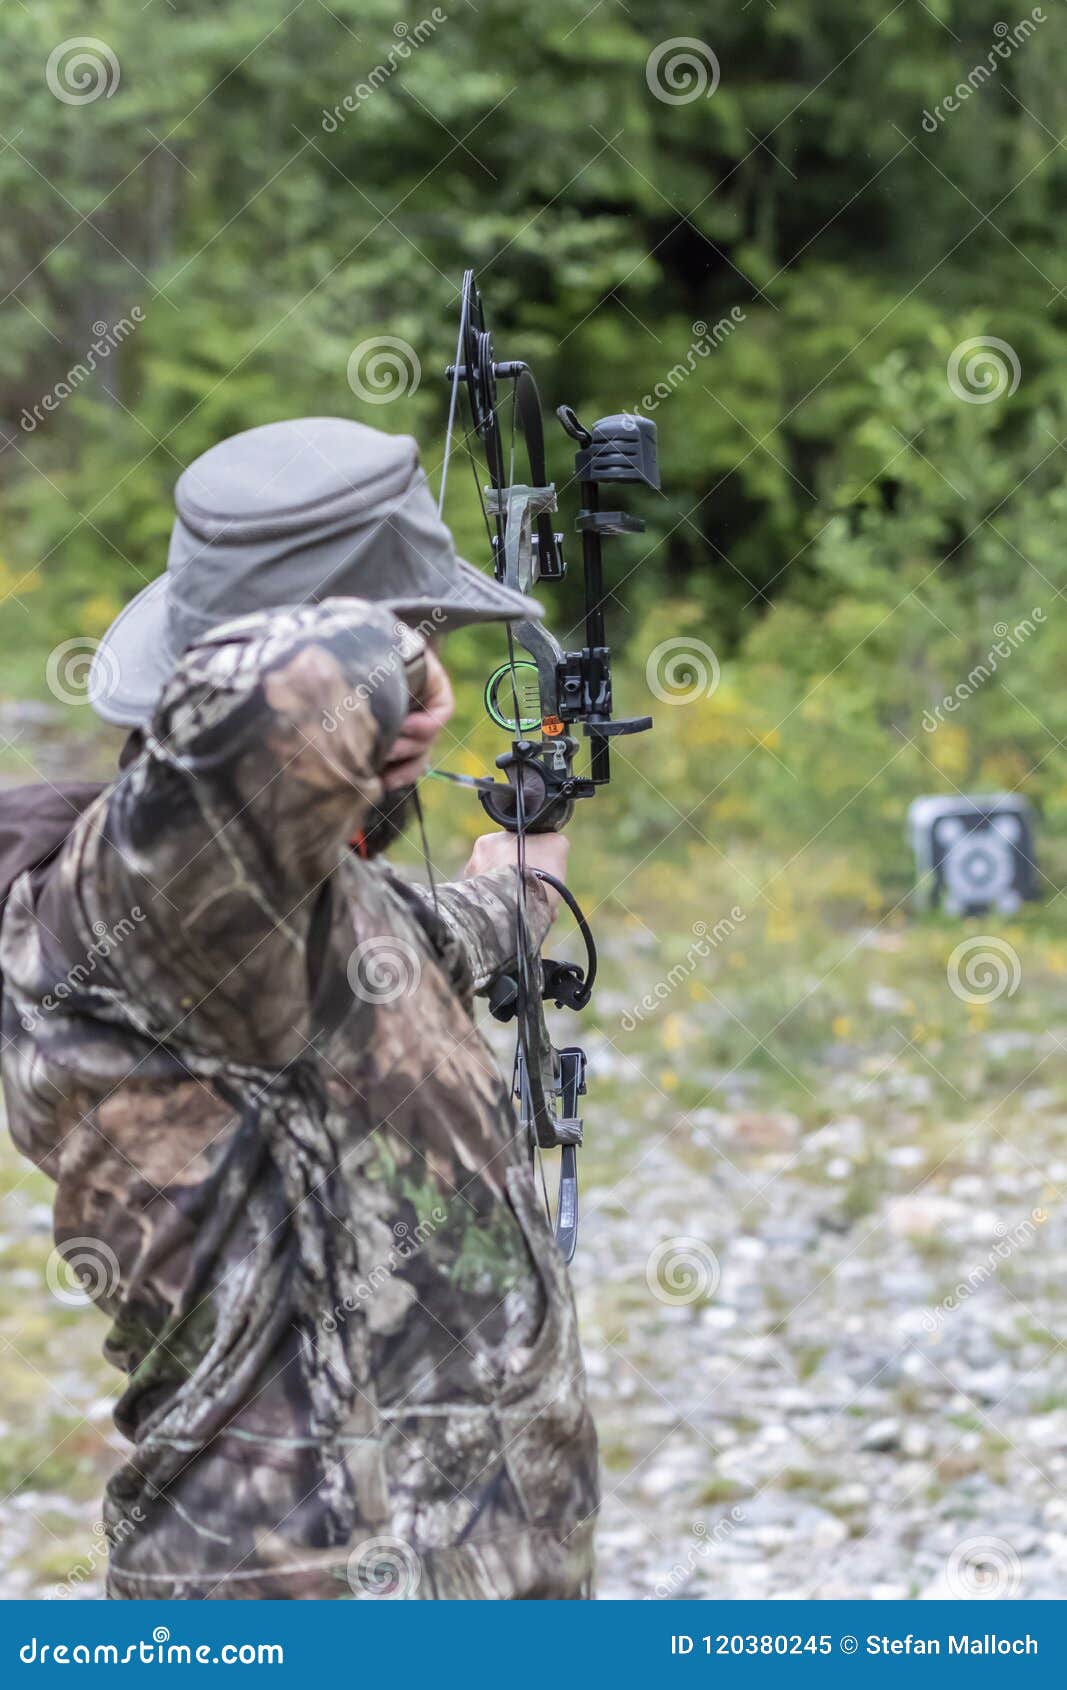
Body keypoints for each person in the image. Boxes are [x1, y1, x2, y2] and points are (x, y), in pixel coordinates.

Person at [0, 417, 598, 1600]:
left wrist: (522, 883)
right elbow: (275, 702)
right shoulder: (134, 910)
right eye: (415, 644)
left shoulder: (300, 911)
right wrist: (382, 659)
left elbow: (429, 943)